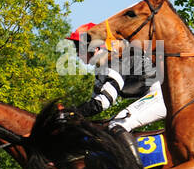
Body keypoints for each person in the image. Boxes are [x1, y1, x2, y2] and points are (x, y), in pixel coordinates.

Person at [66, 21, 165, 154]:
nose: (77, 53)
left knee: (116, 125)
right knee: (107, 125)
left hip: (160, 95)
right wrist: (72, 113)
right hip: (151, 93)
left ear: (94, 48)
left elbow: (102, 103)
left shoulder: (114, 61)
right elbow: (93, 102)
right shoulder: (102, 67)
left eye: (78, 48)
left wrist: (72, 113)